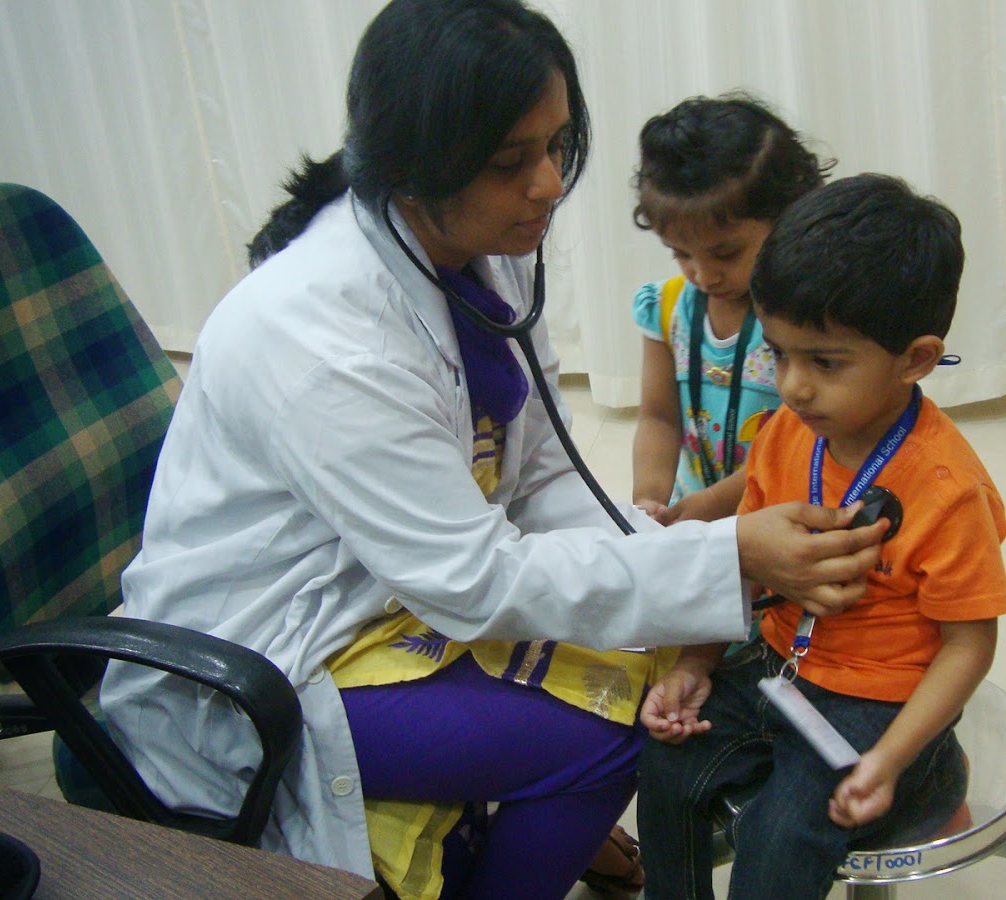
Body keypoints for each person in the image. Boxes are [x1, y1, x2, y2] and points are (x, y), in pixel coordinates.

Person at [97, 3, 889, 899]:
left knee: (653, 649)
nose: (550, 184)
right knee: (613, 722)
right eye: (513, 161)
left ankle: (531, 833)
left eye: (557, 145)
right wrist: (726, 555)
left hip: (391, 582)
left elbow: (542, 471)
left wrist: (677, 554)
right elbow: (473, 581)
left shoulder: (480, 247)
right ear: (416, 163)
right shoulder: (323, 341)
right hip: (267, 660)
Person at [635, 173, 1006, 899]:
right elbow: (747, 566)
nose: (792, 386)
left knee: (778, 837)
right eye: (779, 353)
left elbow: (969, 645)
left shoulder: (946, 490)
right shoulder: (787, 434)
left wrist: (892, 758)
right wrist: (694, 664)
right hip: (780, 664)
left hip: (880, 702)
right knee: (666, 763)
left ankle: (934, 773)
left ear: (916, 359)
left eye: (824, 362)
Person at [629, 95, 829, 525]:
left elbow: (803, 436)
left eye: (726, 253)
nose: (703, 275)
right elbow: (658, 418)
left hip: (780, 517)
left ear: (786, 218)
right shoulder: (666, 310)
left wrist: (715, 503)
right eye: (681, 253)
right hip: (694, 514)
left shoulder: (807, 316)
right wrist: (648, 499)